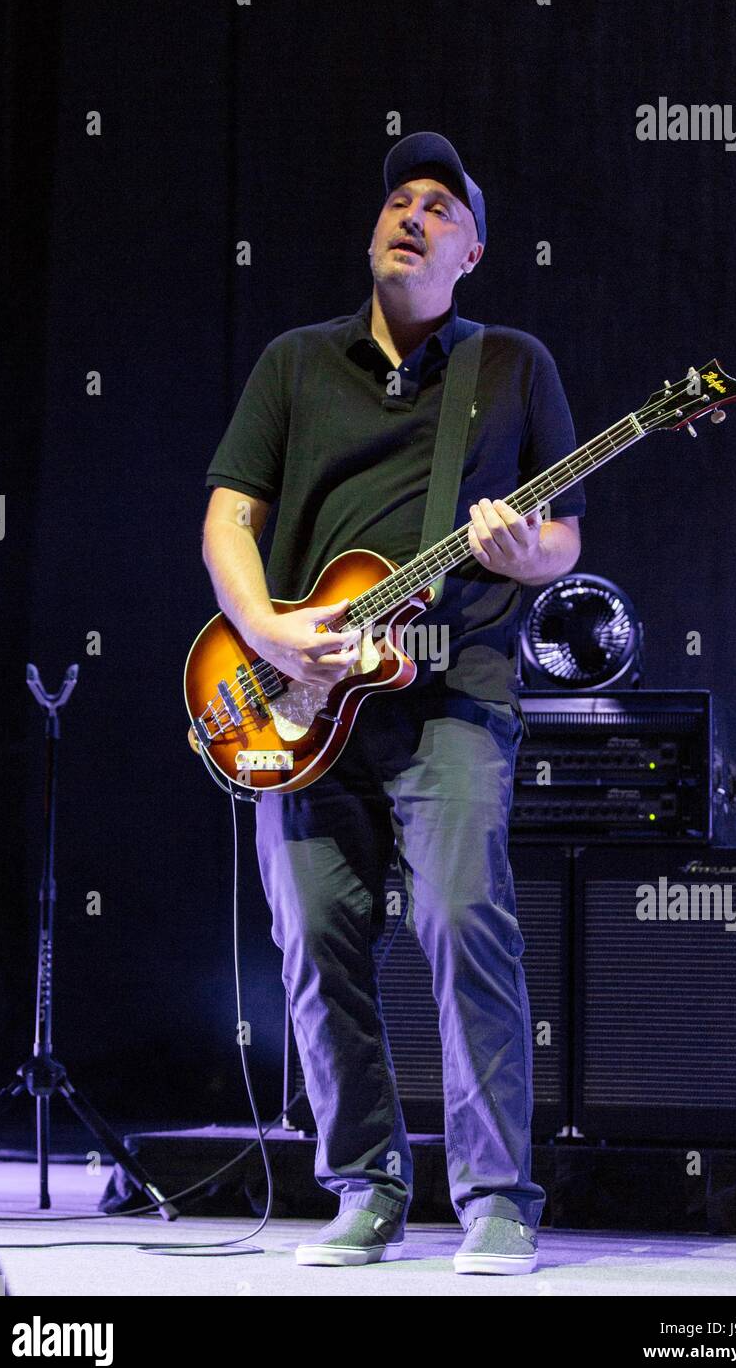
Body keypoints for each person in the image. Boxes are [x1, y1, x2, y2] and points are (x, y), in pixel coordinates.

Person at [202, 132, 586, 1274]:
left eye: (438, 205)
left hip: (454, 691)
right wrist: (271, 633)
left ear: (471, 249)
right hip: (303, 701)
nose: (408, 213)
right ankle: (364, 1188)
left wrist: (524, 555)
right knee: (315, 939)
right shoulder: (292, 361)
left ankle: (496, 1200)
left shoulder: (512, 364)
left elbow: (563, 539)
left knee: (462, 920)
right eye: (396, 199)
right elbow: (230, 517)